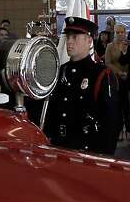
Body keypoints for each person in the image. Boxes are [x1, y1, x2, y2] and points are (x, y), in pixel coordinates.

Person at [42, 17, 120, 155]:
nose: (69, 42)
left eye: (75, 37)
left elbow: (111, 120)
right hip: (59, 146)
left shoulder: (101, 74)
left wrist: (105, 155)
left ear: (89, 41)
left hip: (88, 150)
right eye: (68, 38)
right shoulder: (60, 71)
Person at [104, 23, 130, 140]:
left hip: (128, 78)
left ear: (125, 32)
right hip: (115, 79)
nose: (120, 34)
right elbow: (108, 62)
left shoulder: (129, 45)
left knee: (128, 106)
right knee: (118, 105)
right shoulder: (110, 46)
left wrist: (127, 74)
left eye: (122, 32)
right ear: (114, 33)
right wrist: (119, 73)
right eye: (118, 32)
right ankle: (119, 130)